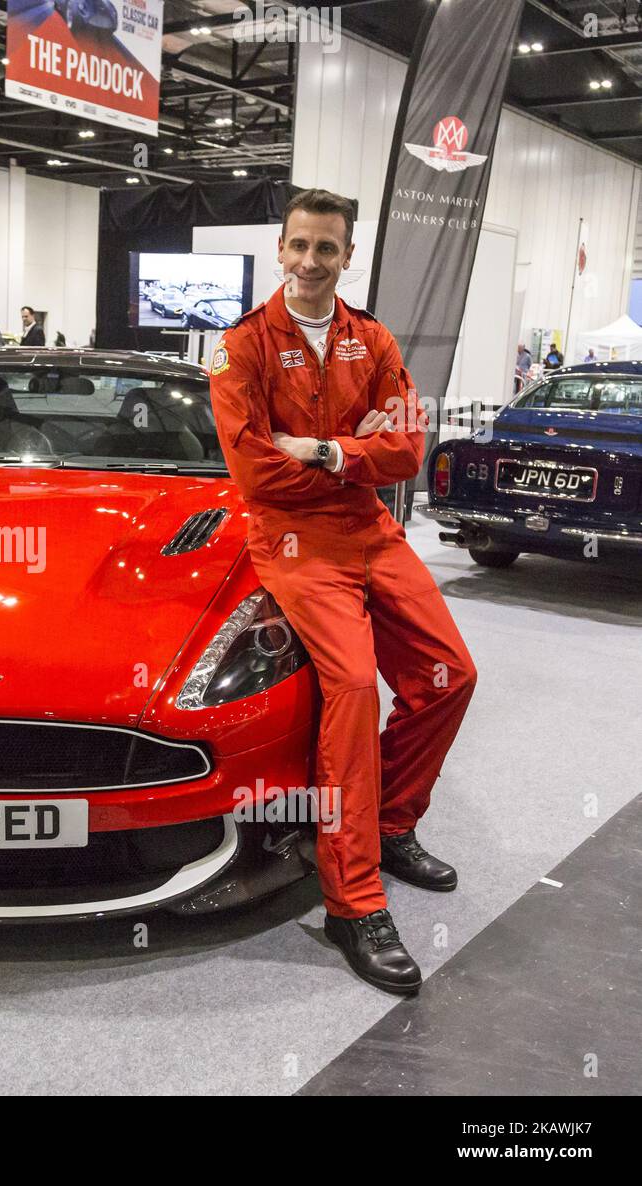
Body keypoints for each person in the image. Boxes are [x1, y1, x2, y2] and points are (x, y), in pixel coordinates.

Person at [209, 186, 477, 995]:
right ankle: (351, 902)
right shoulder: (243, 344)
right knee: (355, 690)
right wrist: (353, 449)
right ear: (280, 250)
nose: (311, 262)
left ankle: (392, 822)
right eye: (299, 246)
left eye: (327, 249)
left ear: (347, 256)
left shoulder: (374, 340)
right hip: (295, 544)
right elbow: (255, 468)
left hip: (366, 527)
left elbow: (406, 451)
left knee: (449, 676)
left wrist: (328, 453)